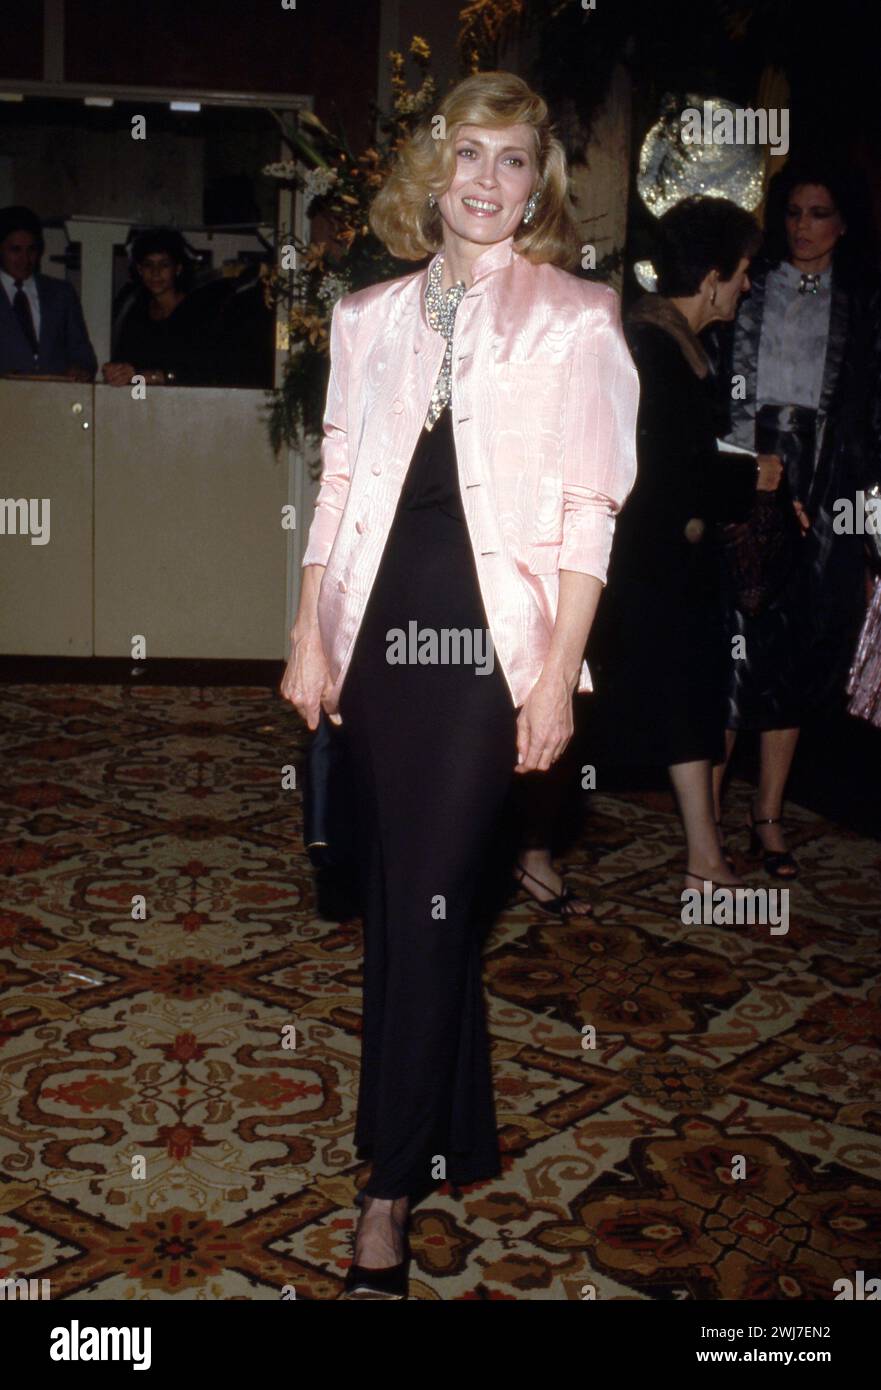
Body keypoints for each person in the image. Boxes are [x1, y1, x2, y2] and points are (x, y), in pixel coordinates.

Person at [280, 70, 639, 1299]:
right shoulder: (369, 314)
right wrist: (307, 630)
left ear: (536, 187)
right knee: (399, 896)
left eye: (514, 163)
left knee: (434, 886)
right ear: (432, 169)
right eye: (470, 155)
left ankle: (384, 1191)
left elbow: (590, 514)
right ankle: (450, 1128)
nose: (488, 182)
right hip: (372, 632)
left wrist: (551, 681)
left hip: (489, 646)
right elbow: (334, 484)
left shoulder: (576, 316)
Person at [587, 197, 772, 892]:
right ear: (714, 275)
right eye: (743, 272)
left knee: (689, 704)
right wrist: (748, 475)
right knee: (589, 714)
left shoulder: (678, 343)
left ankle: (704, 862)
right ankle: (534, 855)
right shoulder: (652, 348)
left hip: (669, 565)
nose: (748, 286)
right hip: (637, 570)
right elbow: (666, 475)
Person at [709, 161, 881, 877]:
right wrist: (744, 472)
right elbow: (716, 386)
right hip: (748, 469)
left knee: (801, 644)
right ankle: (705, 814)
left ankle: (769, 814)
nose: (803, 227)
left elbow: (868, 415)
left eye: (818, 214)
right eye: (793, 213)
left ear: (841, 225)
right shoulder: (750, 290)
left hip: (829, 477)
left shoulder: (862, 306)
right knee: (733, 638)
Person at [102, 228, 213, 387]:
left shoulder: (198, 312)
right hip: (144, 403)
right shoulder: (136, 313)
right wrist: (115, 372)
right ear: (140, 270)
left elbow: (206, 371)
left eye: (164, 265)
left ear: (178, 269)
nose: (155, 273)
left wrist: (157, 376)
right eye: (149, 265)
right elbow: (129, 370)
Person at [0, 205, 96, 380]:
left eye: (32, 250)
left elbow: (84, 355)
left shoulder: (61, 293)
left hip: (53, 399)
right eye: (15, 250)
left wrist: (80, 370)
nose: (25, 259)